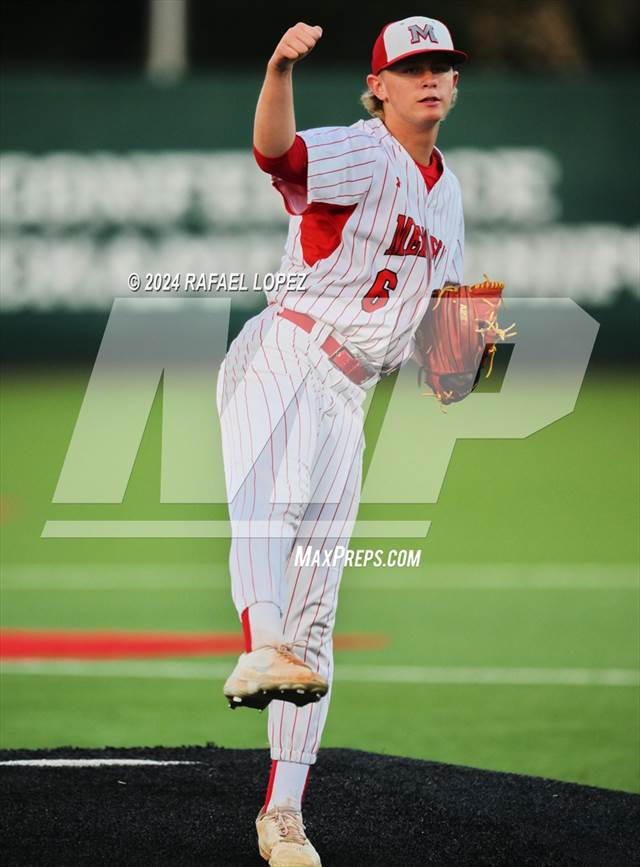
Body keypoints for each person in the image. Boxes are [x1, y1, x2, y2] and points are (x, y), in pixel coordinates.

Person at [217, 16, 467, 867]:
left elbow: (450, 316)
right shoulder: (365, 151)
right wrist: (278, 70)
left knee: (318, 615)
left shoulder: (450, 190)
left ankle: (283, 814)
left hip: (350, 393)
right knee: (264, 525)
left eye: (442, 67)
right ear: (381, 87)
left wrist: (460, 360)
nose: (430, 78)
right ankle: (257, 640)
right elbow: (277, 158)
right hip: (286, 349)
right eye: (413, 67)